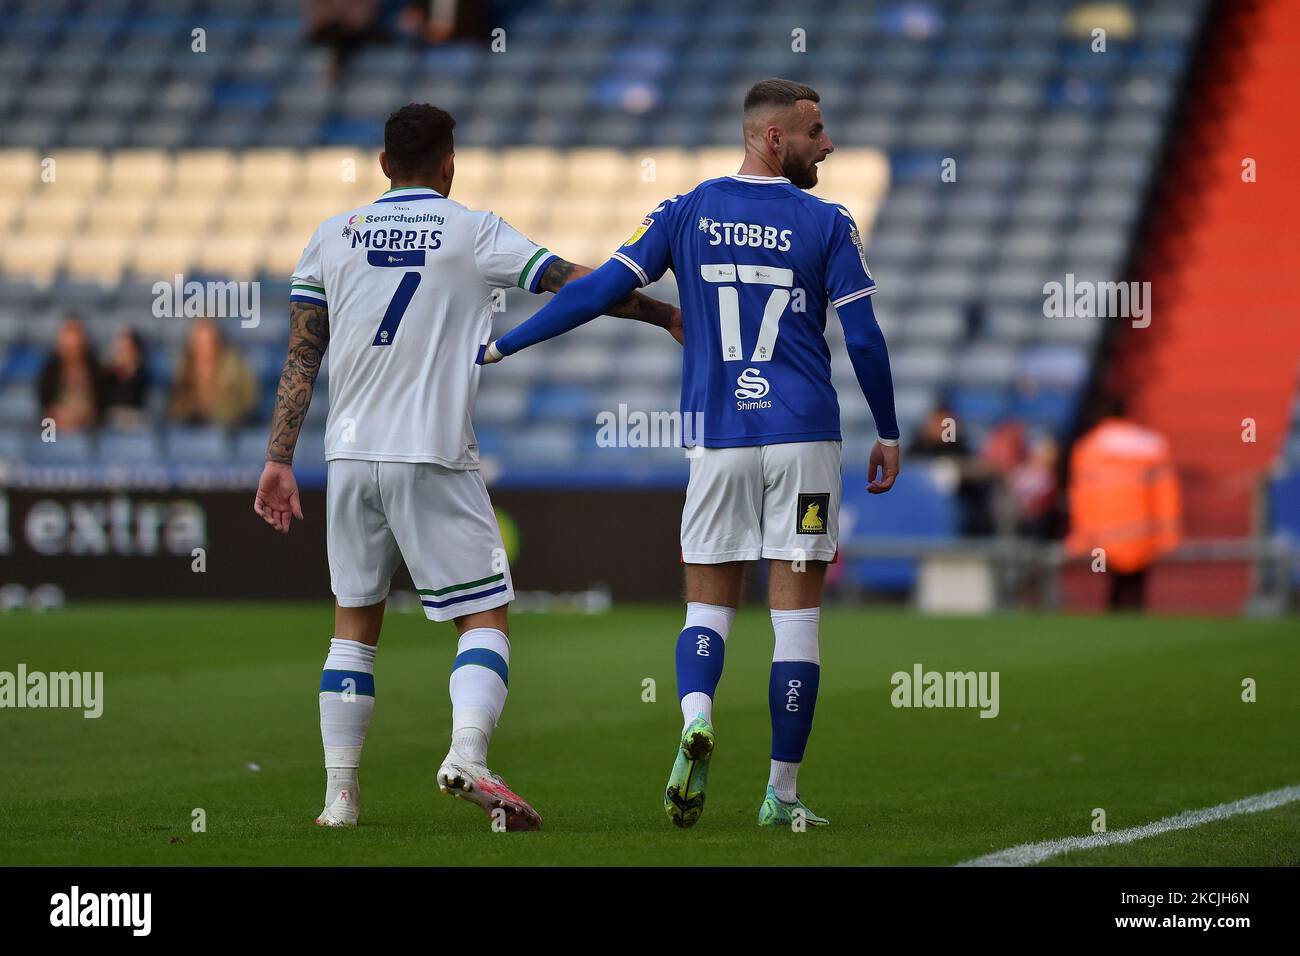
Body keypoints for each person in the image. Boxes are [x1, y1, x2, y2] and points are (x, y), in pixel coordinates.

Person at [477, 79, 900, 829]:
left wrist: (506, 342)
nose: (827, 144)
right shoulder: (828, 222)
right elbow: (863, 337)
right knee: (796, 621)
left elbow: (600, 289)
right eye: (815, 131)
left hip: (718, 436)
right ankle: (783, 794)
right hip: (804, 434)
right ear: (773, 138)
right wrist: (890, 430)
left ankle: (697, 715)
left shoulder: (687, 211)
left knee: (707, 602)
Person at [251, 103, 680, 830]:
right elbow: (577, 283)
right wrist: (662, 313)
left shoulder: (330, 237)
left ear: (384, 165)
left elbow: (302, 353)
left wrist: (277, 458)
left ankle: (339, 801)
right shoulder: (473, 230)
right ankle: (467, 754)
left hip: (348, 456)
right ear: (450, 163)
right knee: (484, 615)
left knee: (353, 625)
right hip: (433, 452)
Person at [1065, 396, 1181, 609]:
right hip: (1143, 533)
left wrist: (1081, 535)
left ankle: (1111, 621)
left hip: (1104, 536)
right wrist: (1168, 534)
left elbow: (1081, 495)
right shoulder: (1152, 444)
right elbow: (1166, 492)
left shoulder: (1089, 446)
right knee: (1136, 587)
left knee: (1110, 585)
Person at [168, 317, 257, 426]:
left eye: (209, 341)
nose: (205, 348)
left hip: (229, 428)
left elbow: (248, 399)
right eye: (200, 342)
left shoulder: (234, 366)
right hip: (190, 429)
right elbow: (175, 404)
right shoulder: (183, 367)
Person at [37, 315, 105, 433]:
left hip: (89, 430)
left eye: (76, 348)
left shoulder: (95, 369)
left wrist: (81, 418)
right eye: (68, 348)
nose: (72, 352)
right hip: (56, 427)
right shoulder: (50, 370)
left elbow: (101, 406)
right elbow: (44, 404)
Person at [101, 328, 150, 429]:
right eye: (119, 350)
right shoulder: (107, 379)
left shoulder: (146, 378)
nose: (123, 355)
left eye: (128, 349)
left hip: (138, 431)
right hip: (111, 431)